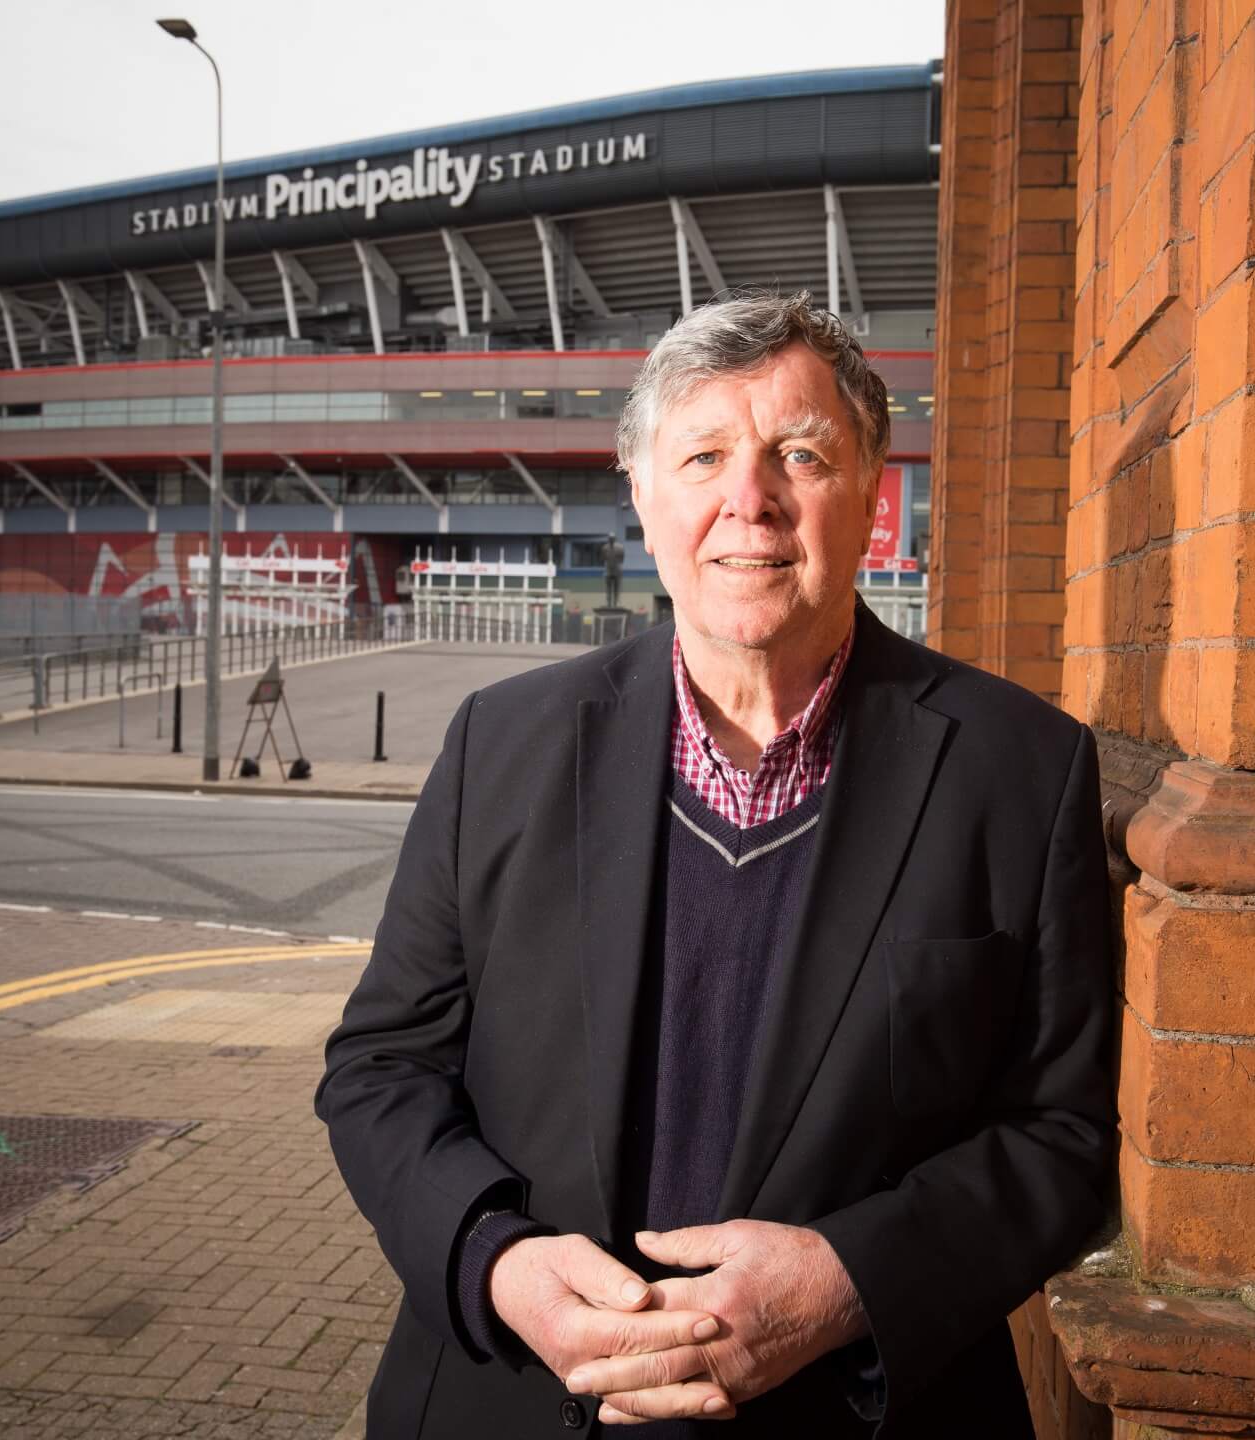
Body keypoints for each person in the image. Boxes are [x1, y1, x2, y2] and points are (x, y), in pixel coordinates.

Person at [317, 292, 1114, 1436]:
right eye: (703, 456)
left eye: (801, 453)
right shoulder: (503, 743)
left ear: (871, 496)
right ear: (644, 499)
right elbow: (381, 1067)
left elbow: (1065, 1134)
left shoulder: (1021, 771)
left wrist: (848, 1283)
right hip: (517, 1401)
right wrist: (495, 1262)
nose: (752, 500)